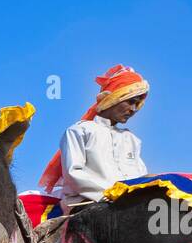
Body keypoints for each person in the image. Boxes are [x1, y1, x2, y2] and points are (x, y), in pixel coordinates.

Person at [40, 64, 149, 210]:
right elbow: (73, 174)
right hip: (86, 204)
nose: (133, 109)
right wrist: (111, 195)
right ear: (112, 99)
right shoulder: (80, 131)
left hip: (127, 204)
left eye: (137, 104)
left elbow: (140, 175)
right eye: (130, 101)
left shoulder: (132, 140)